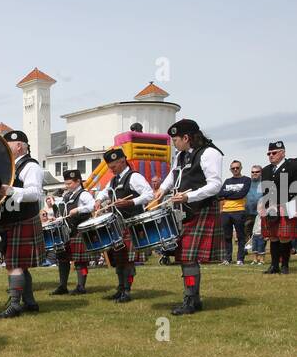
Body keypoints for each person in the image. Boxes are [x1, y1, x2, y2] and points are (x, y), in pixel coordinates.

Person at [150, 119, 225, 314]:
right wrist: (163, 190)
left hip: (202, 209)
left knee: (189, 257)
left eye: (175, 139)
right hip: (184, 210)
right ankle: (193, 298)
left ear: (187, 137)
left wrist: (188, 196)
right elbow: (173, 175)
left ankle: (191, 300)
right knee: (184, 256)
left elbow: (215, 184)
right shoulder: (181, 155)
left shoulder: (209, 153)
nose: (173, 143)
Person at [0, 129, 45, 318]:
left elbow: (35, 194)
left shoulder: (30, 167)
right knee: (20, 265)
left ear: (19, 146)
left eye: (8, 146)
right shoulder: (11, 168)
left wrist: (10, 190)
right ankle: (30, 302)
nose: (4, 149)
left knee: (14, 264)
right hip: (10, 221)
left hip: (23, 220)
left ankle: (15, 304)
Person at [96, 148, 154, 303]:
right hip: (118, 225)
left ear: (122, 161)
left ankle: (127, 291)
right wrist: (98, 200)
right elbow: (104, 192)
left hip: (132, 223)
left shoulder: (134, 177)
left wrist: (131, 202)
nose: (111, 169)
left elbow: (149, 194)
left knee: (128, 260)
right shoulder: (114, 180)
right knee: (119, 259)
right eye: (109, 167)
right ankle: (120, 288)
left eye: (113, 166)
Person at [51, 169, 95, 294]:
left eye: (69, 183)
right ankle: (62, 286)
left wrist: (79, 209)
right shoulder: (66, 196)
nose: (67, 186)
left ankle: (81, 286)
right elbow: (65, 213)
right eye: (66, 183)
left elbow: (93, 205)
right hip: (66, 232)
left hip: (79, 231)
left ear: (78, 181)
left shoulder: (84, 194)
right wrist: (57, 219)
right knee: (62, 259)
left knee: (80, 261)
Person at [258, 140, 297, 275]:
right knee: (273, 237)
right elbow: (265, 191)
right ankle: (274, 266)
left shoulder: (293, 165)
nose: (271, 155)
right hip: (271, 208)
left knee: (284, 237)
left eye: (274, 153)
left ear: (282, 152)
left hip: (287, 205)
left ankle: (285, 265)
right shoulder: (266, 170)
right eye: (269, 153)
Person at [219, 159, 251, 264]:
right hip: (225, 211)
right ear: (230, 169)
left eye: (237, 167)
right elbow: (220, 194)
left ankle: (240, 259)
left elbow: (242, 194)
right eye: (233, 168)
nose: (235, 169)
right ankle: (227, 258)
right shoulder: (227, 181)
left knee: (240, 236)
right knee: (227, 236)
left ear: (241, 168)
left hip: (239, 211)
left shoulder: (246, 180)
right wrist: (234, 193)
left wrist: (228, 194)